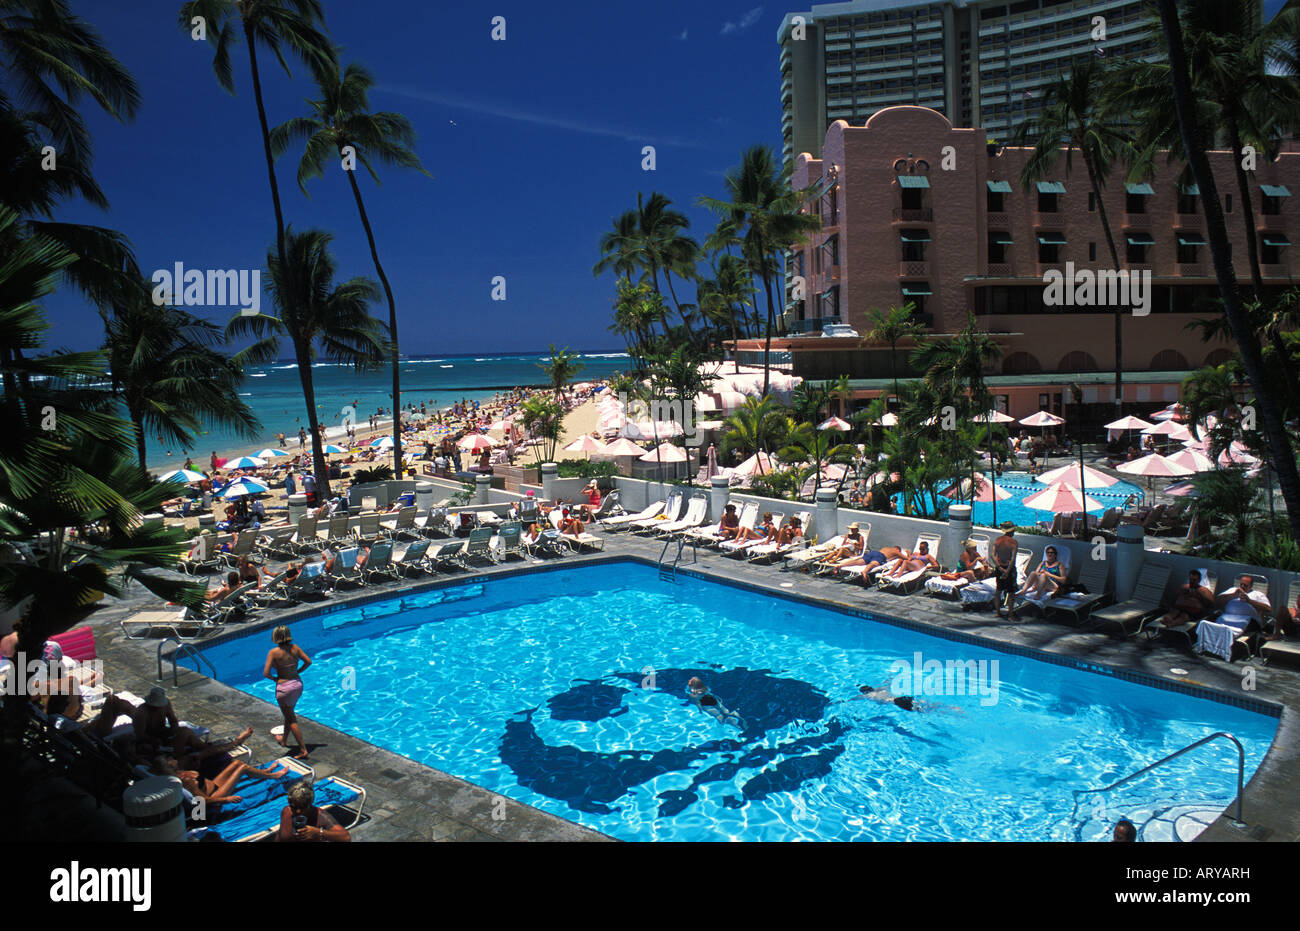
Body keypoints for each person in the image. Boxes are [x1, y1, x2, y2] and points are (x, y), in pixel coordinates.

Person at [151, 754, 286, 808]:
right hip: (214, 796)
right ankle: (274, 776)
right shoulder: (185, 781)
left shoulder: (180, 771)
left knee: (237, 763)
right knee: (243, 768)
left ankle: (266, 772)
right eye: (170, 759)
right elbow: (202, 801)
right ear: (170, 766)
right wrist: (226, 799)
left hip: (214, 785)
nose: (173, 758)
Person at [264, 626, 311, 759]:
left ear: (275, 637)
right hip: (297, 684)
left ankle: (303, 750)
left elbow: (266, 673)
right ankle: (284, 741)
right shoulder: (295, 648)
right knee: (288, 714)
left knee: (291, 718)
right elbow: (308, 662)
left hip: (284, 687)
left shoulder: (273, 652)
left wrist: (275, 679)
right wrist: (298, 671)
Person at [277, 781, 351, 842]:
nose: (298, 811)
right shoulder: (286, 811)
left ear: (310, 804)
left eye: (302, 807)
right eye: (294, 807)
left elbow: (346, 837)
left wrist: (318, 832)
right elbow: (279, 835)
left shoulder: (319, 815)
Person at [993, 521, 1020, 621]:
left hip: (999, 568)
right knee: (1011, 592)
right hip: (1009, 569)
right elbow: (1013, 559)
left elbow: (993, 555)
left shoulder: (997, 540)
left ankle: (997, 612)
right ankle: (1010, 614)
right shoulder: (1014, 542)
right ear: (1012, 531)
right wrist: (1007, 571)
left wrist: (1000, 568)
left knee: (998, 590)